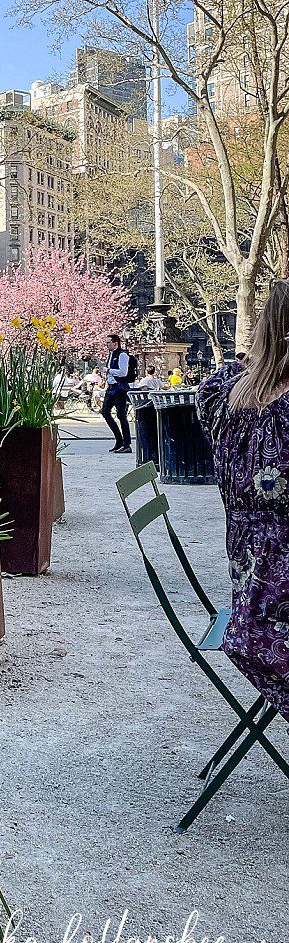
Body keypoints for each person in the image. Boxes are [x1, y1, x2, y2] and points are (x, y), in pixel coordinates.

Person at [196, 282, 289, 718]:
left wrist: (256, 357)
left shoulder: (225, 400)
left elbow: (217, 379)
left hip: (247, 573)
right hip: (274, 603)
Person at [101, 333, 137, 453]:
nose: (106, 345)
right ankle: (119, 440)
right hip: (111, 387)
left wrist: (109, 370)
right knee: (105, 412)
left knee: (121, 415)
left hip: (119, 388)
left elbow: (123, 372)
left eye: (108, 342)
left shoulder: (122, 355)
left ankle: (126, 444)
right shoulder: (111, 355)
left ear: (115, 343)